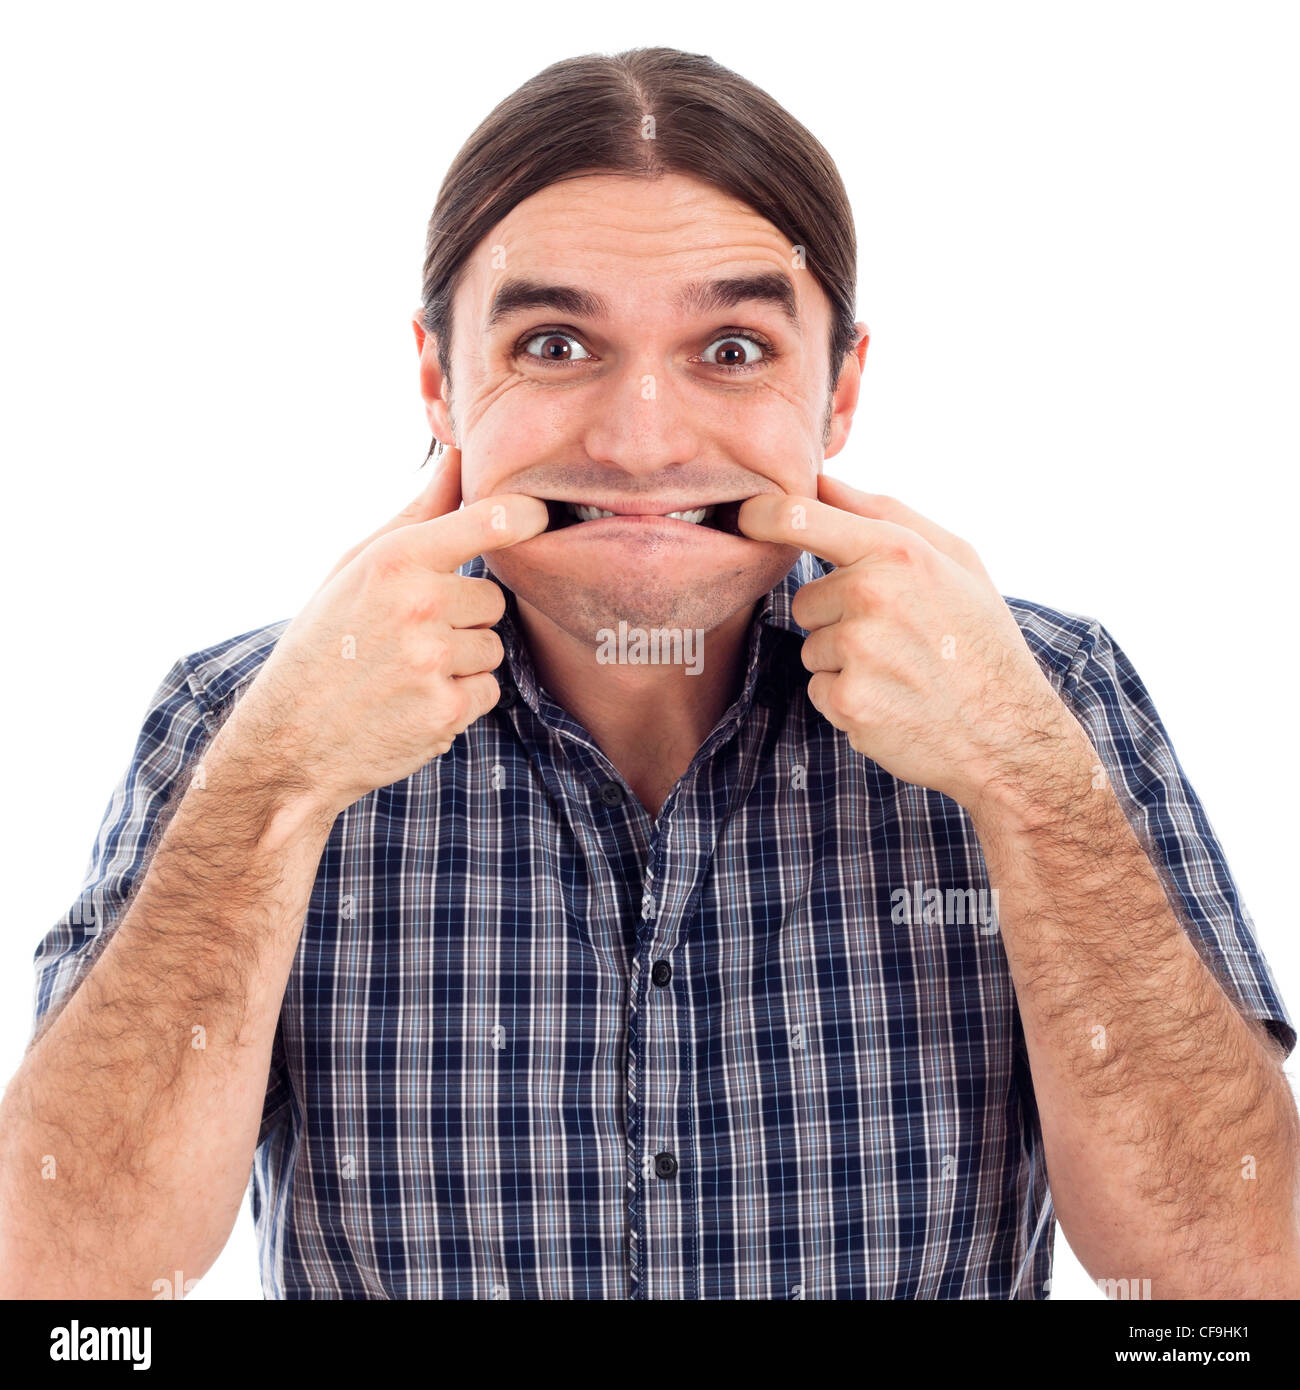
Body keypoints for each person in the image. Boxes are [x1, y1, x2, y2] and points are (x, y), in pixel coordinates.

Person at [3, 46, 1296, 1301]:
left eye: (732, 348)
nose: (640, 440)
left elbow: (1231, 1283)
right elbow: (61, 1288)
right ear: (437, 384)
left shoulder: (1045, 693)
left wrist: (1025, 777)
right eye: (555, 346)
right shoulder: (241, 719)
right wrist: (273, 788)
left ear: (840, 391)